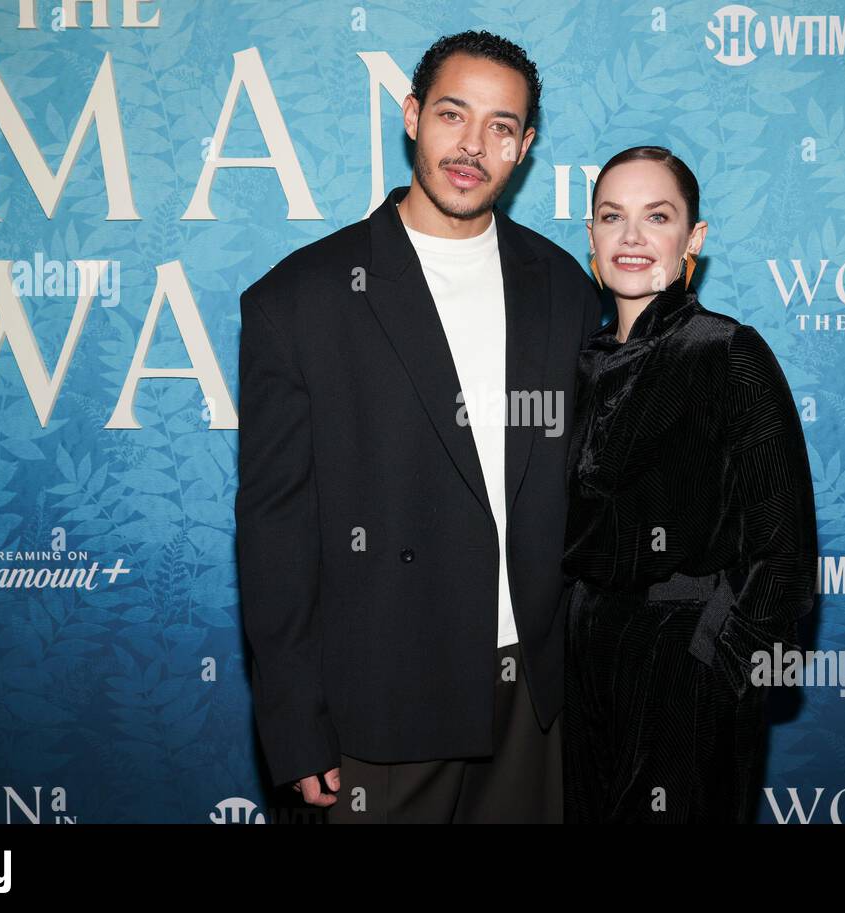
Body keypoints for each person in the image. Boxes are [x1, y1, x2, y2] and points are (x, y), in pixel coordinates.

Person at [234, 30, 601, 823]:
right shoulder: (300, 300)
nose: (473, 146)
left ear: (525, 146)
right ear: (411, 116)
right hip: (382, 709)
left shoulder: (565, 289)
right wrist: (296, 727)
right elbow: (275, 534)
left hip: (534, 702)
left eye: (501, 127)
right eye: (452, 115)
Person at [561, 146, 819, 823]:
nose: (633, 237)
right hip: (582, 667)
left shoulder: (727, 352)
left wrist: (716, 670)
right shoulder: (576, 366)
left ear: (692, 239)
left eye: (658, 216)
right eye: (612, 217)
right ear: (590, 236)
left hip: (686, 671)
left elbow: (785, 555)